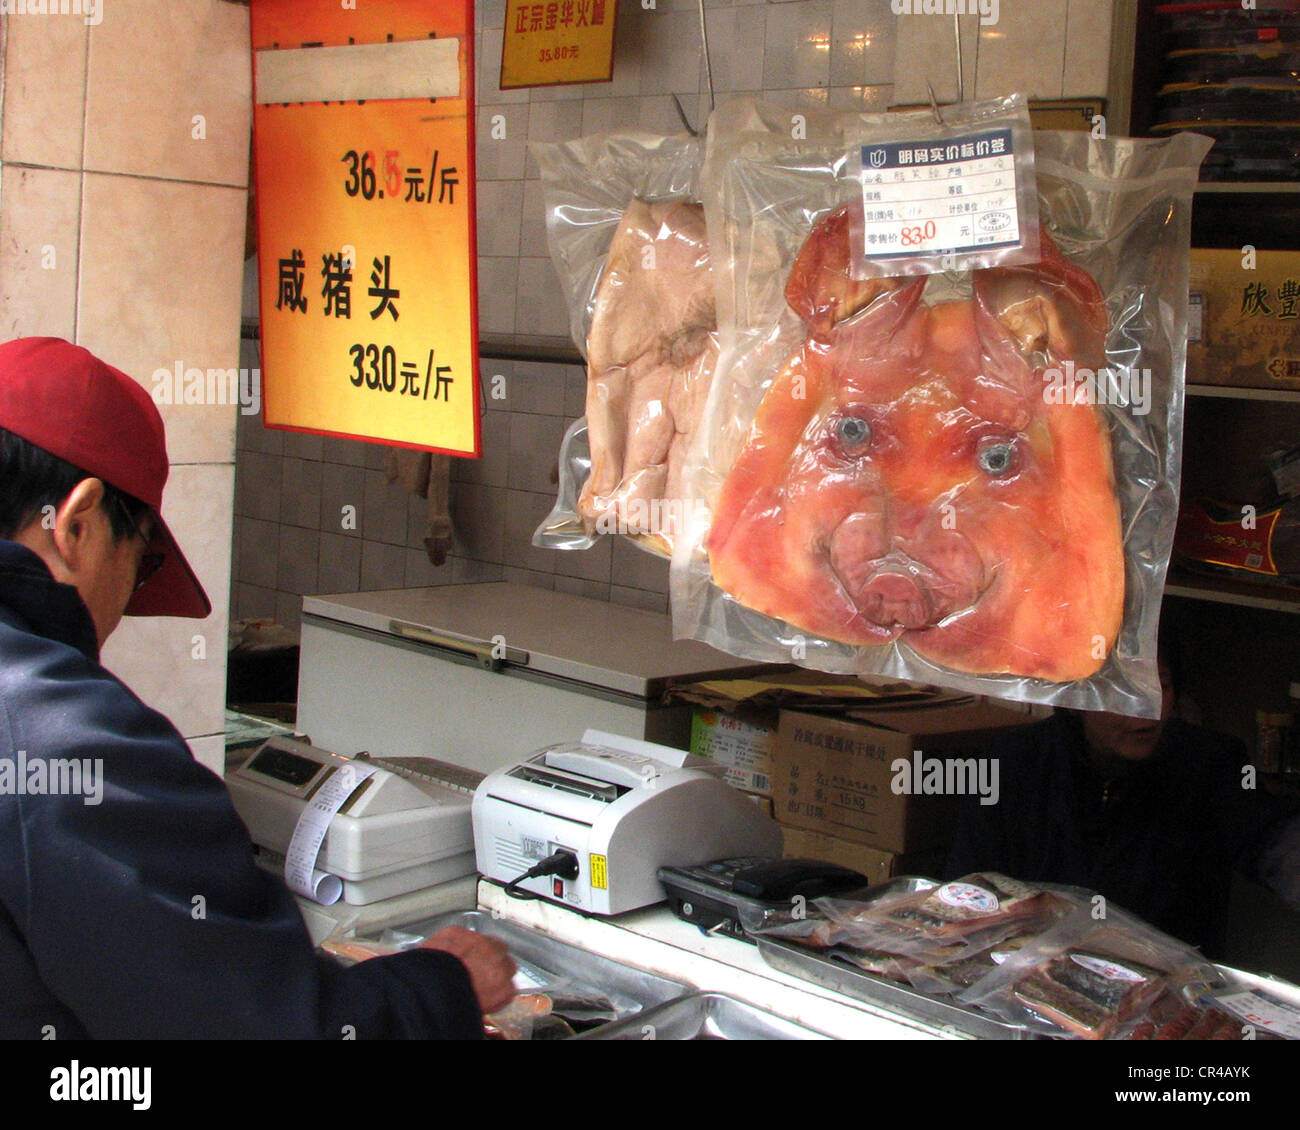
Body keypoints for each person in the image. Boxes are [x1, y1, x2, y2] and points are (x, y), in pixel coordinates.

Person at [0, 337, 515, 1038]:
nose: (125, 602)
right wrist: (439, 987)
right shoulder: (64, 744)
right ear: (79, 525)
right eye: (142, 560)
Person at [945, 622, 1300, 960]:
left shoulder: (1210, 763)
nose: (1146, 711)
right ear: (1076, 694)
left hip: (1163, 994)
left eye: (1160, 686)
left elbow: (1268, 836)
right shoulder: (1011, 765)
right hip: (1025, 981)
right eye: (1123, 690)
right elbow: (966, 895)